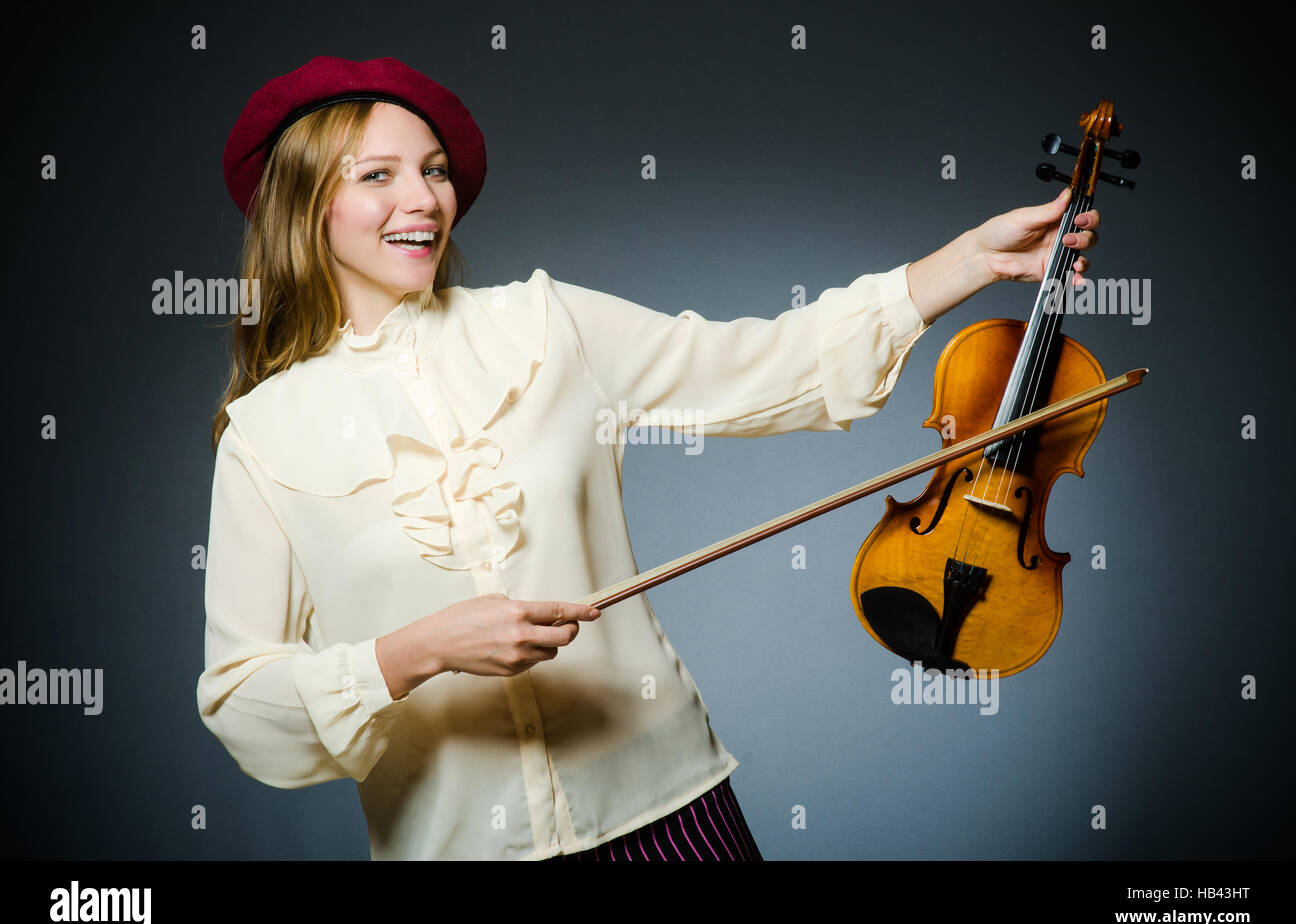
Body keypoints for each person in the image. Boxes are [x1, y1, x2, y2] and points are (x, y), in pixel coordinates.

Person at [198, 56, 1099, 861]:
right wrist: (414, 652)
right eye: (379, 175)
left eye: (432, 171)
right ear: (307, 202)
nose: (423, 199)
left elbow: (769, 364)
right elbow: (242, 701)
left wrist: (969, 259)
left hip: (667, 815)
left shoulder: (547, 324)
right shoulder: (262, 437)